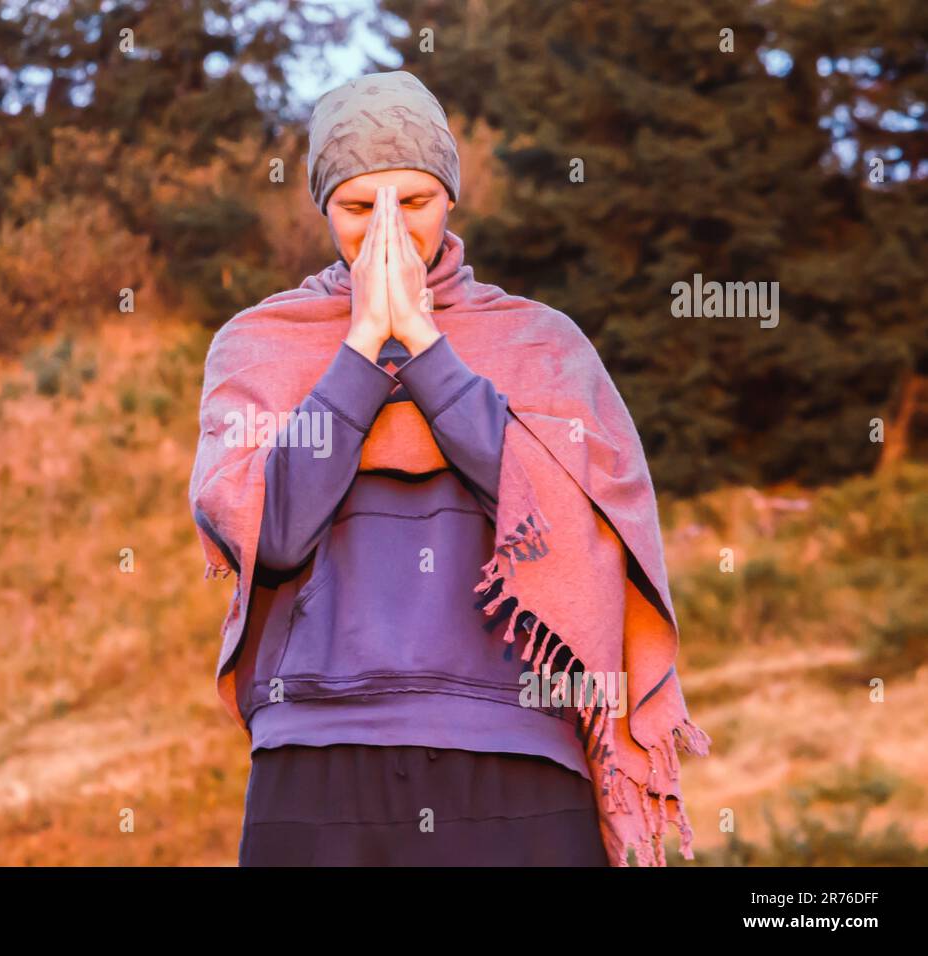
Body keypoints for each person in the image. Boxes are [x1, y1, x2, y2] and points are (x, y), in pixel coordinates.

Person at [189, 70, 709, 867]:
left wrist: (428, 354)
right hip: (318, 754)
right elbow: (276, 533)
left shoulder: (541, 343)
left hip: (518, 751)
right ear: (323, 206)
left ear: (453, 201)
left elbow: (563, 525)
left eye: (416, 202)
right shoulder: (261, 344)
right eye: (360, 207)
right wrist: (362, 349)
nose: (390, 230)